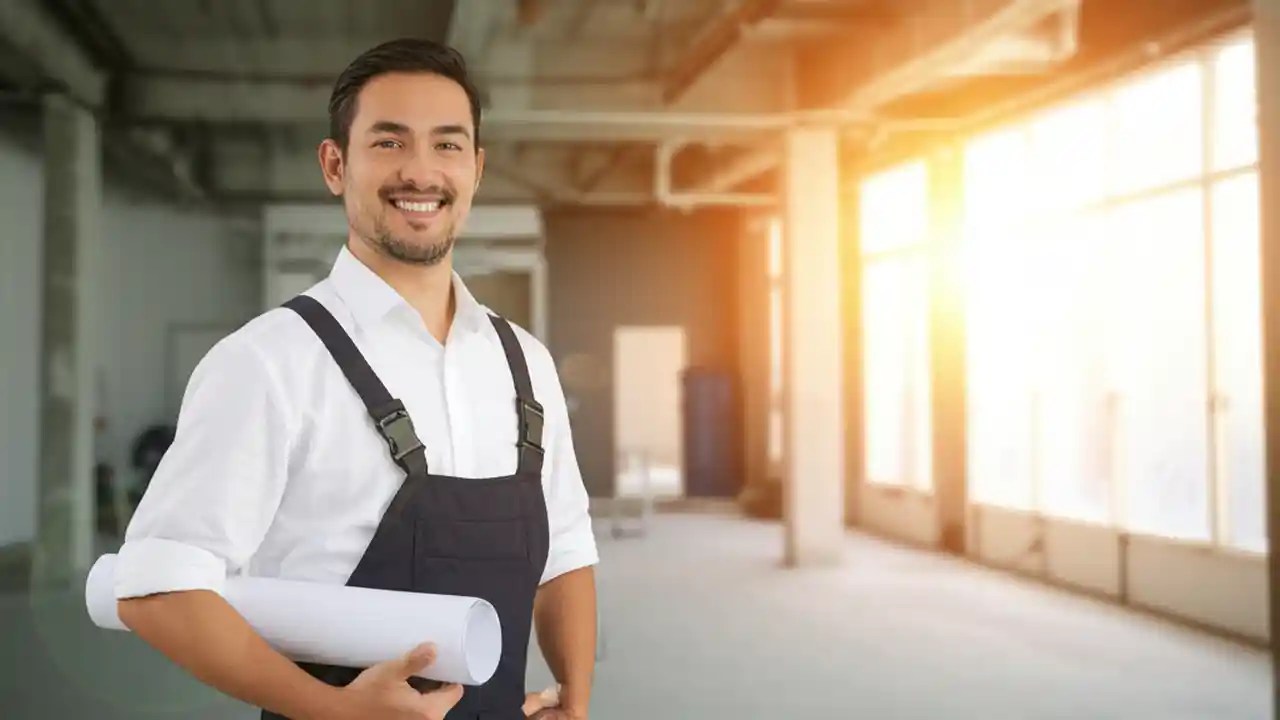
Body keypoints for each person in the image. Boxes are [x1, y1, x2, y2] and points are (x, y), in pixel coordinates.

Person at [115, 38, 598, 720]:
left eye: (448, 145)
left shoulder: (526, 364)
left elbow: (566, 552)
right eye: (390, 142)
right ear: (336, 165)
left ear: (477, 168)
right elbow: (154, 588)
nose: (421, 172)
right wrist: (334, 710)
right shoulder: (268, 363)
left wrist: (576, 699)